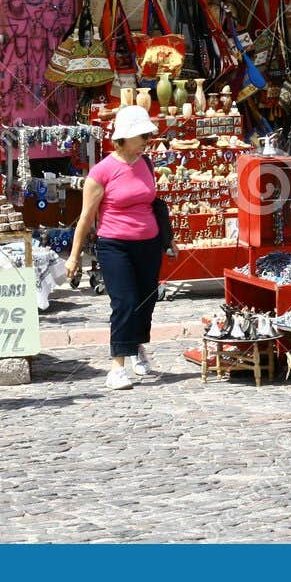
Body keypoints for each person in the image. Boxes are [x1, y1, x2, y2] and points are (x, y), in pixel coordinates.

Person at [66, 105, 170, 391]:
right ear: (123, 138)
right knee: (124, 302)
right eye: (141, 136)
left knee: (145, 301)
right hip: (115, 245)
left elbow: (150, 202)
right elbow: (86, 217)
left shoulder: (146, 164)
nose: (146, 141)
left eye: (147, 136)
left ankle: (136, 346)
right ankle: (117, 367)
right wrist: (74, 257)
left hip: (148, 244)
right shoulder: (102, 172)